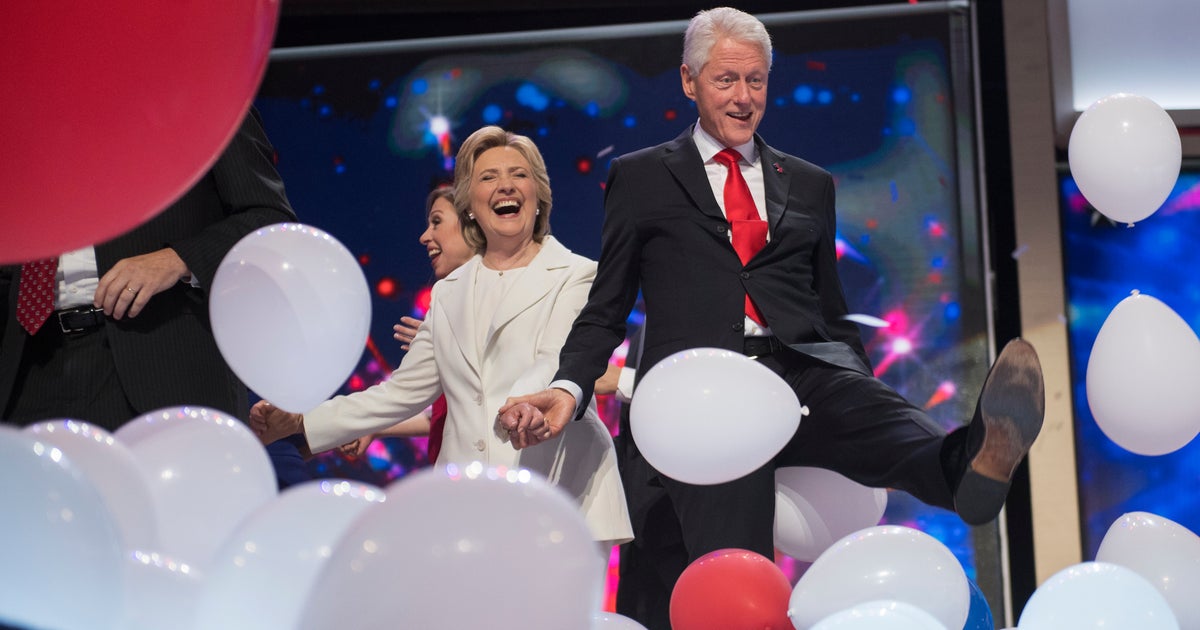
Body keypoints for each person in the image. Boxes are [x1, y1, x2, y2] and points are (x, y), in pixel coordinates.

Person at [499, 7, 1045, 628]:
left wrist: (856, 377)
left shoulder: (809, 183)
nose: (743, 97)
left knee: (884, 419)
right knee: (737, 569)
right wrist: (570, 389)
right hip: (705, 391)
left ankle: (968, 468)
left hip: (802, 367)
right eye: (726, 80)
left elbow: (830, 310)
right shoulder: (642, 177)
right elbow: (607, 309)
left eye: (755, 81)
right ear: (689, 81)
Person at [251, 125, 633, 547]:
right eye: (489, 177)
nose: (506, 185)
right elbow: (401, 393)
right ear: (469, 203)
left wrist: (524, 406)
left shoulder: (577, 274)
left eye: (519, 174)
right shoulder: (449, 291)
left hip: (560, 496)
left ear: (539, 195)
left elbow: (557, 359)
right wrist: (304, 424)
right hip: (466, 506)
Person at [0, 107, 298, 440]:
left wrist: (176, 259)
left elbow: (269, 221)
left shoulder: (202, 92)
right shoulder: (20, 111)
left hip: (158, 363)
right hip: (26, 371)